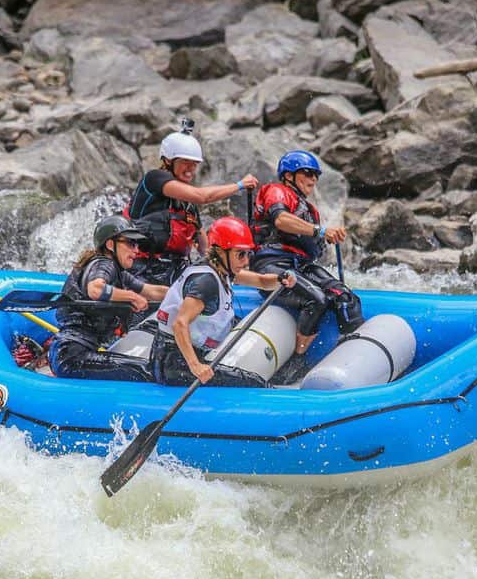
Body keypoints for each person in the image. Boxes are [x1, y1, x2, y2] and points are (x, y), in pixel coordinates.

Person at [150, 216, 295, 387]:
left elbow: (262, 281)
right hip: (174, 363)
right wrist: (196, 366)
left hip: (189, 351)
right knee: (251, 383)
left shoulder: (220, 269)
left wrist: (280, 279)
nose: (246, 261)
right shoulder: (206, 282)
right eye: (240, 254)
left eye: (248, 254)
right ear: (220, 251)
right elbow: (179, 324)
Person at [250, 149, 364, 357]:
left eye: (316, 175)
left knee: (344, 297)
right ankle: (297, 359)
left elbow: (312, 248)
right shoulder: (277, 191)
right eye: (307, 173)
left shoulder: (310, 210)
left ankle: (356, 352)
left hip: (300, 265)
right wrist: (320, 231)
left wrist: (328, 238)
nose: (313, 178)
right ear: (288, 175)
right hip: (272, 263)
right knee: (316, 299)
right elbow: (281, 220)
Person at [124, 118, 260, 286]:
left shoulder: (188, 206)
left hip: (176, 271)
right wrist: (239, 185)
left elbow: (205, 248)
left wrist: (228, 268)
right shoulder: (154, 179)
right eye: (185, 162)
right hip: (140, 269)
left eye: (194, 164)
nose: (190, 169)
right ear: (168, 161)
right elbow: (203, 197)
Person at [48, 216, 168, 381]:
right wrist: (132, 297)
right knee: (144, 370)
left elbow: (152, 291)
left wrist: (186, 293)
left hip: (75, 353)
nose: (136, 250)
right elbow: (95, 289)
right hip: (72, 356)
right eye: (130, 243)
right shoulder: (104, 264)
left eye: (137, 244)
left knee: (143, 366)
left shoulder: (120, 273)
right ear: (111, 245)